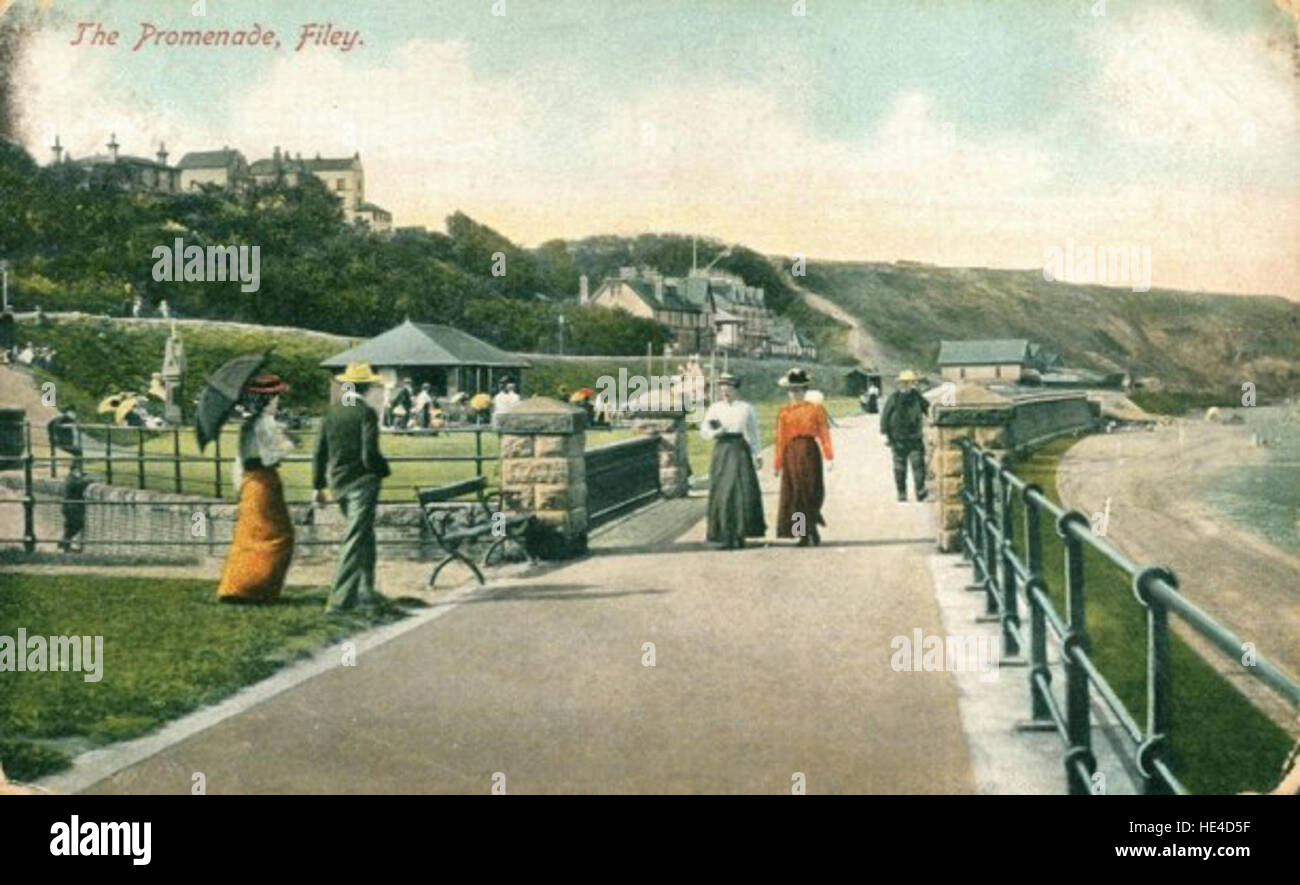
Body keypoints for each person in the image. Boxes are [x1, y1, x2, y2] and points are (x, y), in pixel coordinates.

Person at [313, 363, 392, 613]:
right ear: (367, 387)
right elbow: (369, 454)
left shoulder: (332, 412)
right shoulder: (365, 413)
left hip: (338, 482)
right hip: (362, 482)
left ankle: (365, 590)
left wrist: (318, 486)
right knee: (356, 537)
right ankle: (339, 601)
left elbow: (319, 453)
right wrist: (383, 470)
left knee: (364, 534)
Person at [218, 374, 296, 601]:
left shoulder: (248, 424)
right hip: (263, 481)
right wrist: (288, 445)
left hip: (249, 480)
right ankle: (258, 587)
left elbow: (243, 457)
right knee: (277, 536)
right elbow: (270, 457)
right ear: (269, 400)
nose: (277, 402)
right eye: (276, 398)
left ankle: (237, 584)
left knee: (249, 534)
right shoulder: (266, 424)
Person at [699, 373, 765, 549]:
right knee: (724, 491)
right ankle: (725, 534)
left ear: (736, 389)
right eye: (722, 388)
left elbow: (753, 432)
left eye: (729, 388)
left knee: (742, 490)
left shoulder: (746, 408)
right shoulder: (715, 408)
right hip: (722, 449)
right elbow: (704, 431)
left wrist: (758, 454)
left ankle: (741, 533)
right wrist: (715, 433)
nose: (725, 391)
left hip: (739, 448)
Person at [774, 368, 833, 546]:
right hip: (791, 452)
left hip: (809, 451)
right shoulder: (784, 412)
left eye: (798, 390)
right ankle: (802, 534)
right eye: (792, 390)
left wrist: (829, 456)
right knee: (795, 493)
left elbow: (823, 432)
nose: (795, 393)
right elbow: (780, 438)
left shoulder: (815, 410)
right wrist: (777, 463)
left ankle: (812, 526)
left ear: (805, 390)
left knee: (812, 491)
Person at [881, 369, 929, 502]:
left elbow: (928, 409)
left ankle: (920, 491)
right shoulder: (894, 398)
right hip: (898, 439)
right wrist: (884, 434)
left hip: (914, 438)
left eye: (909, 383)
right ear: (900, 384)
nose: (906, 385)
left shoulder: (917, 397)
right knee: (899, 467)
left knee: (918, 465)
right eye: (904, 383)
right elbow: (885, 416)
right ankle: (902, 493)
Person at [58, 461, 92, 553]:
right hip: (71, 507)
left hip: (69, 507)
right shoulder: (72, 480)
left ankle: (65, 545)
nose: (80, 473)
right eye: (78, 470)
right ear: (74, 470)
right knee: (77, 525)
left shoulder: (71, 478)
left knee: (70, 527)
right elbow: (80, 485)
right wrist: (89, 481)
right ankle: (64, 543)